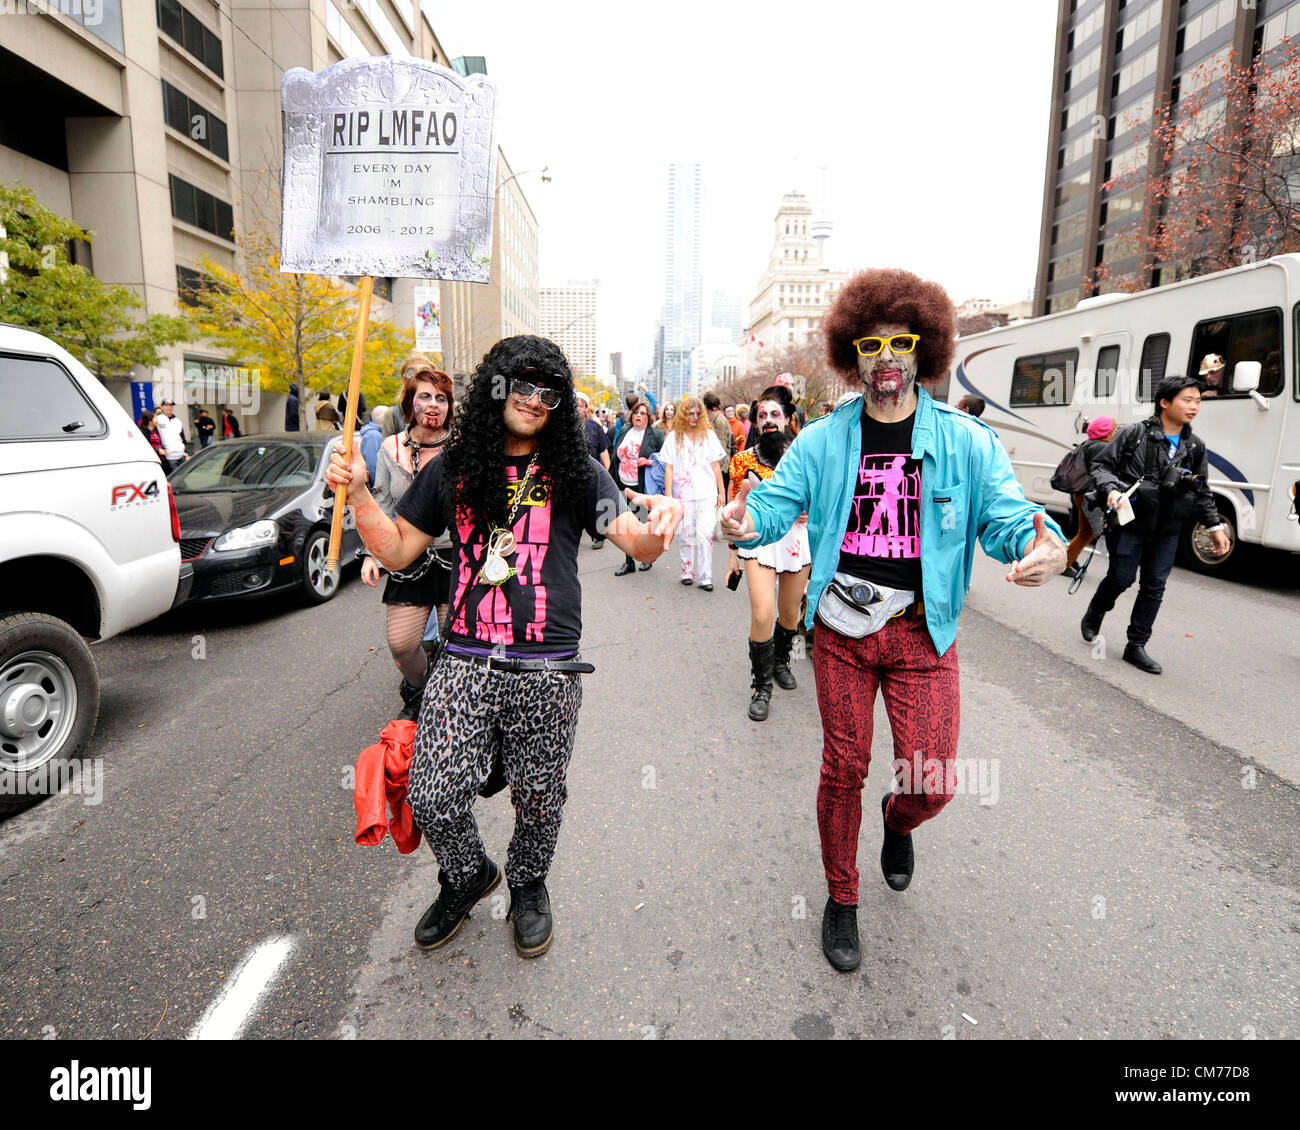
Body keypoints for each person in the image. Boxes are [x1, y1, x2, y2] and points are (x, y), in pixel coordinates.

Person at [721, 267, 1066, 974]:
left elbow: (1005, 517)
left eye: (901, 343)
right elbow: (774, 506)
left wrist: (1039, 541)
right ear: (853, 352)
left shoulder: (967, 442)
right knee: (843, 766)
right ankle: (842, 899)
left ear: (924, 350)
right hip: (843, 632)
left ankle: (896, 819)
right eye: (871, 345)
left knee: (932, 780)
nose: (886, 358)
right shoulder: (822, 440)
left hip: (922, 634)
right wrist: (743, 519)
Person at [325, 335, 682, 959]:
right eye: (522, 385)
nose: (535, 400)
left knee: (539, 795)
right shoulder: (454, 469)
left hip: (548, 663)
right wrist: (356, 494)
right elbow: (398, 550)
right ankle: (467, 874)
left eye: (548, 391)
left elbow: (637, 543)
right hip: (463, 657)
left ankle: (528, 883)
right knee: (434, 792)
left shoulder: (576, 469)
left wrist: (661, 526)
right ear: (496, 387)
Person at [1081, 376, 1229, 673]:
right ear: (1165, 402)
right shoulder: (1135, 434)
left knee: (1154, 587)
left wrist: (1215, 527)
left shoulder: (1196, 446)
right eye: (1188, 400)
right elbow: (1101, 465)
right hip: (1131, 522)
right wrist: (1111, 488)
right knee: (1121, 578)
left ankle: (1136, 645)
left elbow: (1201, 491)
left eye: (1198, 401)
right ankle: (1096, 610)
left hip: (1168, 528)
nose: (1194, 407)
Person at [362, 362, 455, 716]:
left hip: (453, 555)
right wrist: (374, 553)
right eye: (425, 396)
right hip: (407, 557)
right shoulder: (389, 448)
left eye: (442, 399)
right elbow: (382, 503)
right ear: (409, 404)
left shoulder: (462, 448)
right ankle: (418, 691)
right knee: (402, 645)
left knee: (452, 641)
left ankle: (445, 702)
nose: (434, 404)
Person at [725, 384, 810, 721]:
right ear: (756, 422)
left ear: (788, 418)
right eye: (763, 416)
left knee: (790, 614)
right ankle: (761, 686)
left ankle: (781, 660)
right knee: (762, 614)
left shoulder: (803, 456)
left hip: (796, 542)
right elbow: (735, 508)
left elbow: (823, 494)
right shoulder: (742, 460)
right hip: (758, 541)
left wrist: (810, 511)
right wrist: (733, 553)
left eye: (776, 414)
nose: (769, 420)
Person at [663, 395, 727, 589]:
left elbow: (716, 465)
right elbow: (669, 467)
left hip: (706, 492)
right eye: (690, 413)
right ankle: (686, 571)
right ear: (683, 414)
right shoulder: (674, 436)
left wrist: (721, 492)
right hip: (682, 493)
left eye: (698, 414)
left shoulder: (709, 435)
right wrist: (668, 496)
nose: (694, 417)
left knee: (706, 533)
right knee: (686, 533)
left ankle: (706, 577)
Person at [611, 399, 663, 577]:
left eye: (642, 413)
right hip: (622, 483)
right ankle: (629, 561)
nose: (638, 416)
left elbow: (664, 460)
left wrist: (648, 462)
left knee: (641, 523)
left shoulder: (655, 435)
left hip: (642, 486)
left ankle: (647, 557)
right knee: (626, 524)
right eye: (636, 413)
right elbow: (615, 453)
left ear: (648, 418)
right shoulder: (625, 431)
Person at [1063, 415, 1117, 577]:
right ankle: (1065, 562)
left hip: (1082, 494)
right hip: (1090, 496)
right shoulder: (1100, 447)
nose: (1115, 432)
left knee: (1086, 531)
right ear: (1106, 432)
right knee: (1087, 532)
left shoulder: (1089, 444)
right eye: (1114, 429)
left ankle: (1070, 558)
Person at [576, 391, 611, 549]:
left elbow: (604, 454)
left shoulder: (595, 427)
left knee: (594, 509)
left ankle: (598, 536)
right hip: (572, 476)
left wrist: (604, 477)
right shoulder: (564, 428)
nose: (577, 408)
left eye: (580, 406)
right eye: (574, 405)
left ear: (586, 409)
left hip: (592, 476)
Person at [359, 405, 389, 490]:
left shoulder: (375, 434)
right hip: (375, 490)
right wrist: (380, 487)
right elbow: (372, 465)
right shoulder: (373, 435)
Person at [155, 399, 188, 471]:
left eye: (171, 405)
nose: (169, 407)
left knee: (182, 478)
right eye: (166, 405)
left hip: (181, 455)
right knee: (173, 479)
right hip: (168, 457)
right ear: (161, 407)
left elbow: (183, 438)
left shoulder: (178, 421)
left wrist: (186, 453)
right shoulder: (157, 420)